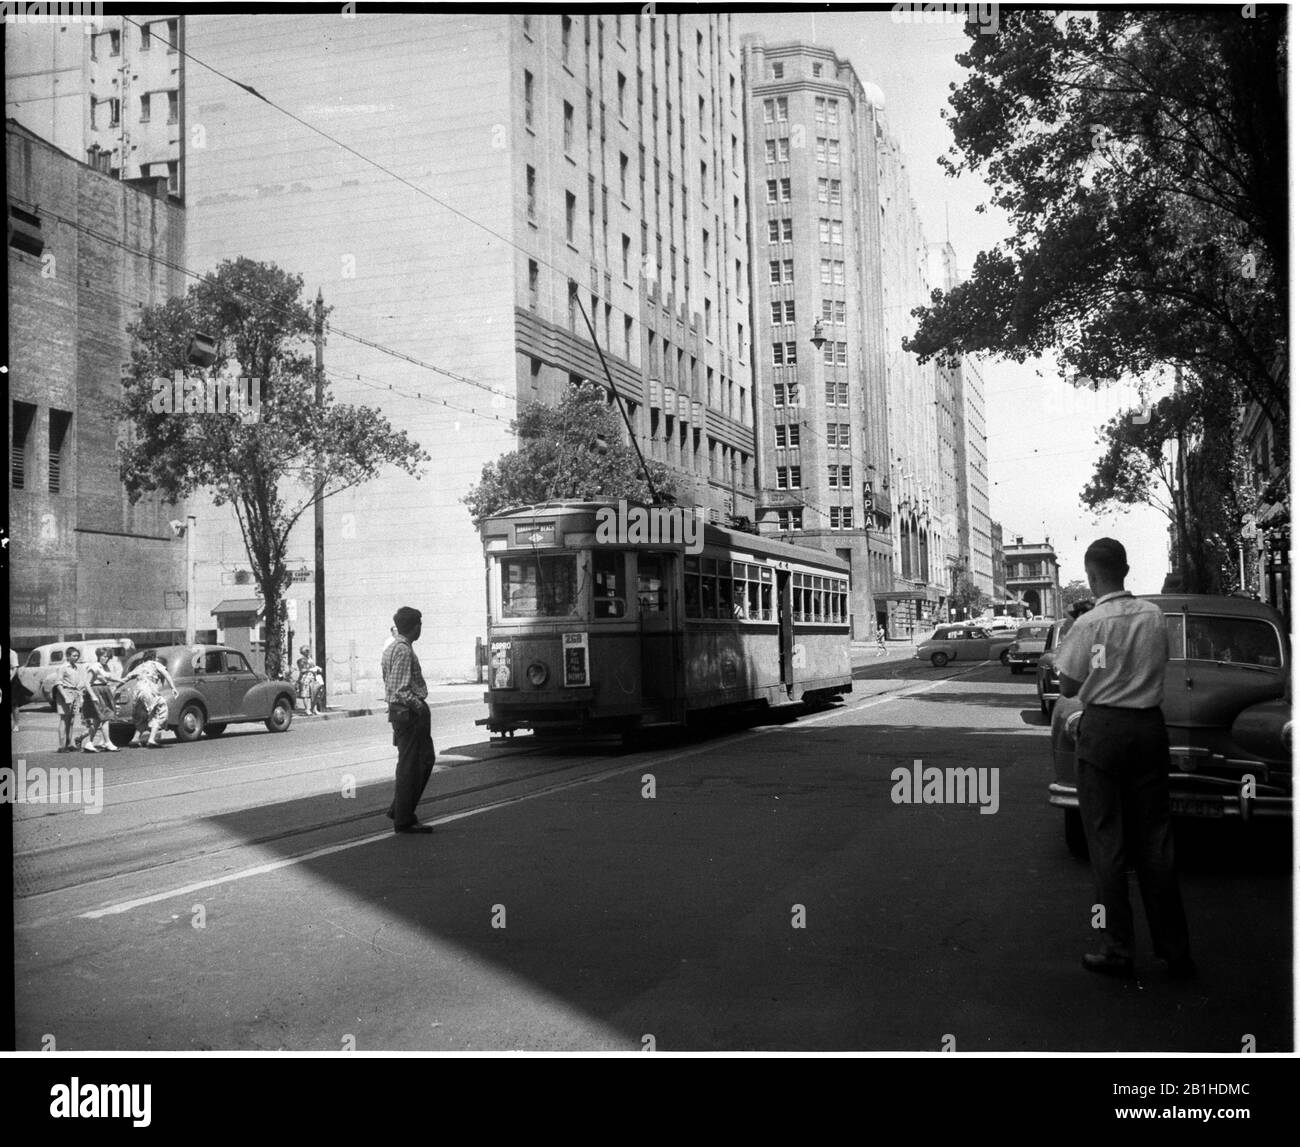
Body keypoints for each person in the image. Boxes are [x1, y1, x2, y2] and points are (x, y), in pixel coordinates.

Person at [1056, 537, 1193, 980]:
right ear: (1126, 569)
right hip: (1148, 730)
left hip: (1103, 734)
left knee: (1107, 843)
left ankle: (1117, 948)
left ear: (1092, 576)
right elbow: (1159, 664)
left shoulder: (1090, 623)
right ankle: (1175, 951)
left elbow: (1069, 688)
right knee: (1156, 842)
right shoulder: (1155, 617)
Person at [381, 606, 436, 834]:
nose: (421, 628)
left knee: (412, 763)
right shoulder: (403, 650)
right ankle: (403, 817)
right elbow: (399, 689)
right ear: (415, 627)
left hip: (400, 714)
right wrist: (418, 707)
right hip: (409, 714)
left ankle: (401, 809)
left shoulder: (392, 648)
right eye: (420, 624)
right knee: (415, 764)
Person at [122, 650, 178, 748]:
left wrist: (114, 686)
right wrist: (173, 687)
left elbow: (126, 678)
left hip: (138, 690)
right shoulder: (156, 664)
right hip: (149, 689)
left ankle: (135, 739)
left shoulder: (139, 666)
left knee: (142, 715)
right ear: (154, 657)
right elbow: (166, 674)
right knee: (159, 710)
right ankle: (151, 739)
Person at [81, 647, 124, 752]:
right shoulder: (95, 666)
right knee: (105, 717)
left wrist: (122, 680)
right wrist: (93, 696)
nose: (106, 659)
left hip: (104, 690)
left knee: (98, 719)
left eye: (108, 657)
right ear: (99, 656)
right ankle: (107, 742)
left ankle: (89, 743)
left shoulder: (105, 667)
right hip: (97, 691)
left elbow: (109, 677)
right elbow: (87, 682)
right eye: (104, 656)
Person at [51, 647, 85, 752]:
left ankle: (69, 744)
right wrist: (65, 697)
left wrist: (80, 696)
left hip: (75, 693)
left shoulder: (75, 667)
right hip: (65, 693)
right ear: (68, 656)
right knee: (64, 719)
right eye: (74, 656)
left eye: (77, 656)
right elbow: (58, 683)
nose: (76, 658)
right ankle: (61, 746)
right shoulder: (63, 667)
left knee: (71, 720)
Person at [295, 645, 322, 716]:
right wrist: (310, 669)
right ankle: (307, 709)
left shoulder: (310, 659)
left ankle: (314, 709)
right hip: (305, 679)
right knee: (305, 694)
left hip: (312, 678)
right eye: (306, 651)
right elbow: (302, 670)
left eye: (308, 651)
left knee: (314, 694)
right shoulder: (301, 660)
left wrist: (317, 668)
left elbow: (313, 666)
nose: (308, 652)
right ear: (303, 652)